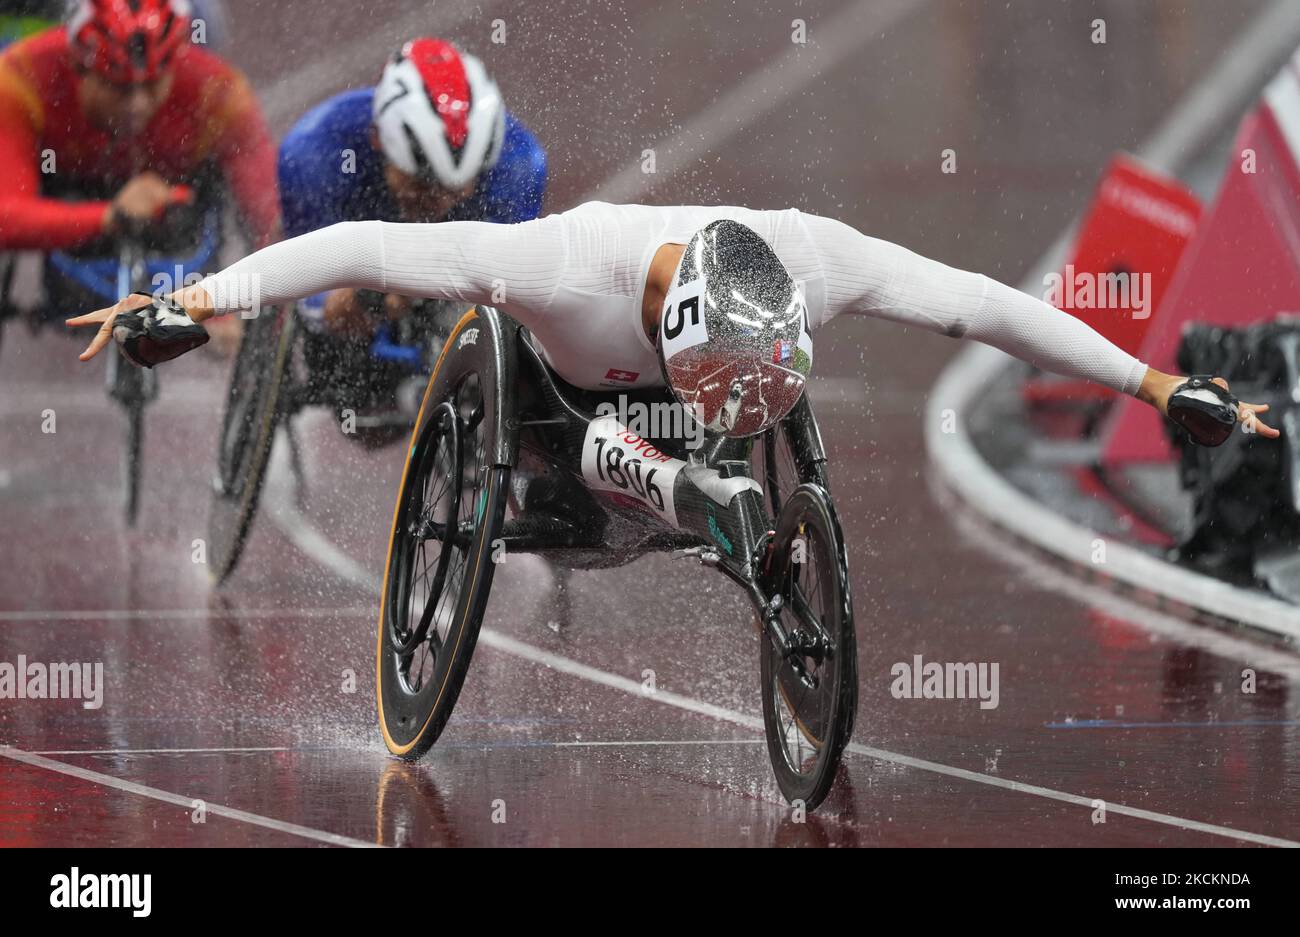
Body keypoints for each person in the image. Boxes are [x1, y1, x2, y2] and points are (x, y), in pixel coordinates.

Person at [67, 201, 1279, 442]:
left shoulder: (815, 257)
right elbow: (360, 247)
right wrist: (191, 301)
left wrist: (1155, 385)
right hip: (561, 404)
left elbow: (983, 305)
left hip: (690, 416)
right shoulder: (557, 261)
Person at [273, 36, 546, 430]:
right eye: (421, 186)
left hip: (452, 268)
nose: (437, 204)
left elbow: (507, 289)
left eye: (455, 190)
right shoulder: (312, 152)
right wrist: (356, 295)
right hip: (356, 286)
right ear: (378, 141)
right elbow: (309, 290)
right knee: (340, 322)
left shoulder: (520, 167)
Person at [0, 0, 278, 345]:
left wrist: (234, 306)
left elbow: (271, 221)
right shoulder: (20, 77)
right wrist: (110, 216)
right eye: (119, 87)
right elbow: (5, 218)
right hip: (72, 186)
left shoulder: (218, 93)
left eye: (152, 84)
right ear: (78, 65)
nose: (137, 105)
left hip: (177, 193)